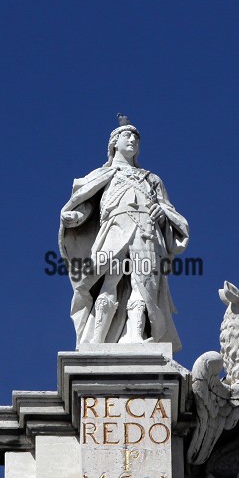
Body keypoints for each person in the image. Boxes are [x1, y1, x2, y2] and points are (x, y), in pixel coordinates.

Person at [60, 117, 189, 348]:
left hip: (146, 231)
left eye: (136, 138)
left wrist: (162, 214)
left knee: (143, 284)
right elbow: (87, 202)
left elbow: (168, 209)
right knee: (110, 280)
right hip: (114, 227)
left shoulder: (152, 179)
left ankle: (136, 336)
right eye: (127, 136)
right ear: (114, 143)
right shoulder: (103, 174)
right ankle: (97, 339)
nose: (133, 140)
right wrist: (76, 217)